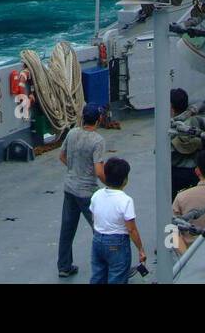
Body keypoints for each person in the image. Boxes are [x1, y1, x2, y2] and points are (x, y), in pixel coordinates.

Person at [56, 103, 106, 278]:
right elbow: (99, 171)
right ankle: (110, 266)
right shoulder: (97, 140)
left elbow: (62, 156)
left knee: (67, 229)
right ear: (99, 119)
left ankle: (64, 266)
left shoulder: (72, 133)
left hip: (69, 187)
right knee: (101, 229)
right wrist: (112, 185)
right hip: (87, 193)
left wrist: (73, 170)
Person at [89, 156, 146, 283]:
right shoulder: (125, 200)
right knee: (117, 277)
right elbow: (131, 229)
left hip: (98, 240)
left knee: (97, 276)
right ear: (125, 180)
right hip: (117, 243)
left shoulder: (96, 195)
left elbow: (94, 219)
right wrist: (140, 249)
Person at [171, 149, 205, 252]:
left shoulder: (181, 197)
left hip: (188, 253)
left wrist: (184, 256)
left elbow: (171, 233)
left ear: (197, 171)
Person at [169, 88, 205, 198]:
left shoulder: (170, 127)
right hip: (195, 171)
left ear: (171, 107)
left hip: (175, 172)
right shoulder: (198, 121)